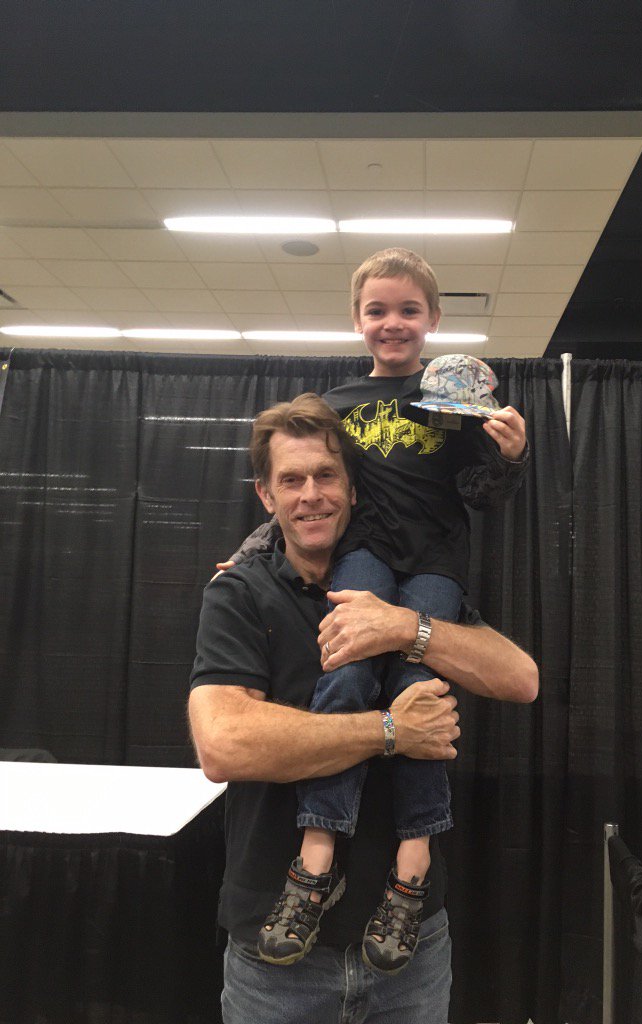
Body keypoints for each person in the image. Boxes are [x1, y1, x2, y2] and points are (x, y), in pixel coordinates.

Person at [189, 393, 538, 1023]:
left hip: (412, 953)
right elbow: (224, 745)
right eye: (291, 481)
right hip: (275, 961)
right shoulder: (239, 593)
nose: (311, 496)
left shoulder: (409, 593)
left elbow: (521, 679)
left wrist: (406, 627)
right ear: (266, 496)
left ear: (354, 489)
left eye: (326, 476)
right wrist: (392, 731)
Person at [237, 249, 530, 973]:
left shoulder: (455, 399)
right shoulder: (336, 404)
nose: (392, 323)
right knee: (343, 672)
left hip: (433, 565)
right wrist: (249, 551)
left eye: (408, 310)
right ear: (357, 320)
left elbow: (482, 495)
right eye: (378, 310)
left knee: (417, 692)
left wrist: (510, 459)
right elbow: (302, 487)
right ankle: (317, 854)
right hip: (364, 555)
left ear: (433, 319)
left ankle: (412, 867)